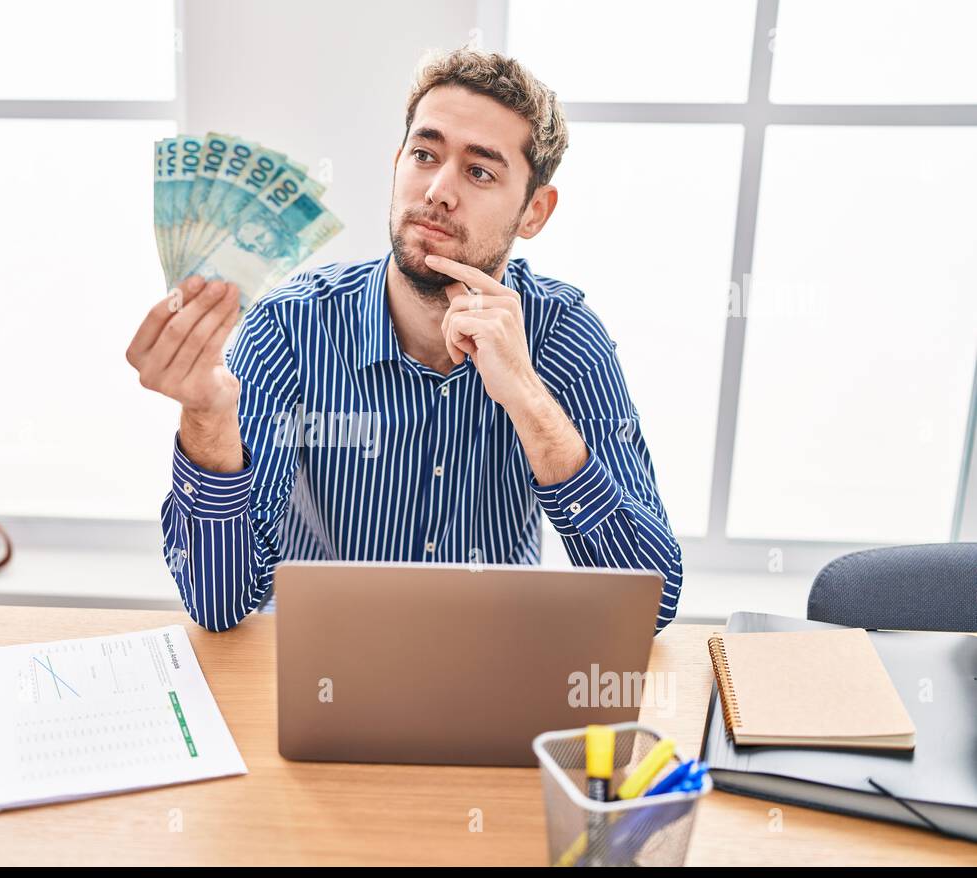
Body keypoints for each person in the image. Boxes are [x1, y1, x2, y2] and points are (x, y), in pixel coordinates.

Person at [127, 46, 682, 633]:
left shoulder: (564, 334)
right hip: (326, 659)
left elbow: (652, 605)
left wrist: (527, 397)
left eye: (480, 171)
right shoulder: (287, 328)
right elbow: (219, 603)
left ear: (534, 212)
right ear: (397, 164)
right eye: (425, 154)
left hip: (493, 657)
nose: (439, 190)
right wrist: (207, 419)